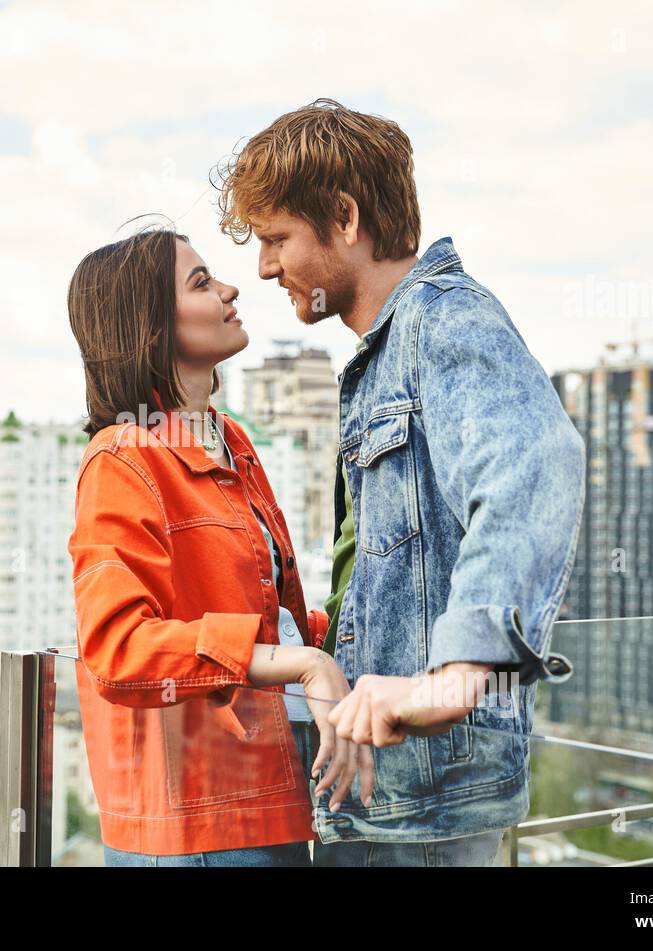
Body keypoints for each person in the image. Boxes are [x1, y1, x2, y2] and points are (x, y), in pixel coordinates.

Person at [214, 99, 587, 866]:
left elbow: (539, 464)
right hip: (384, 789)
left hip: (426, 800)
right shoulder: (385, 353)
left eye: (277, 238)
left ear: (345, 217)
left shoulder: (442, 321)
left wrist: (455, 677)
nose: (263, 267)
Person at [65, 225, 373, 866]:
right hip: (194, 827)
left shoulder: (232, 441)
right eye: (201, 282)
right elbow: (117, 649)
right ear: (149, 323)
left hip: (273, 796)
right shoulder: (123, 458)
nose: (233, 288)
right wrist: (308, 667)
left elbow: (275, 624)